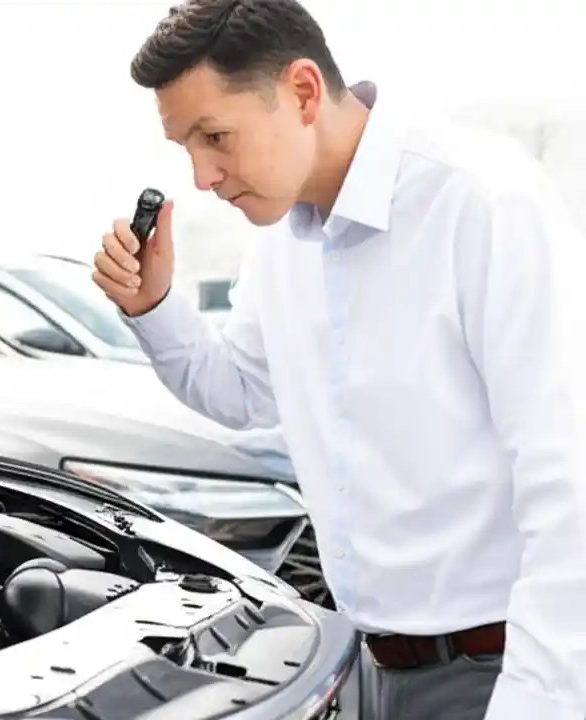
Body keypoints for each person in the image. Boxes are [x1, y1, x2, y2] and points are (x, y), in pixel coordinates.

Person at [91, 1, 586, 718]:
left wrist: (537, 701)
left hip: (508, 672)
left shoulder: (479, 202)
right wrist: (155, 304)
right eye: (185, 148)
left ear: (301, 92)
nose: (202, 175)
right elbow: (243, 394)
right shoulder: (280, 240)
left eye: (215, 136)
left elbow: (568, 478)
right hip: (362, 667)